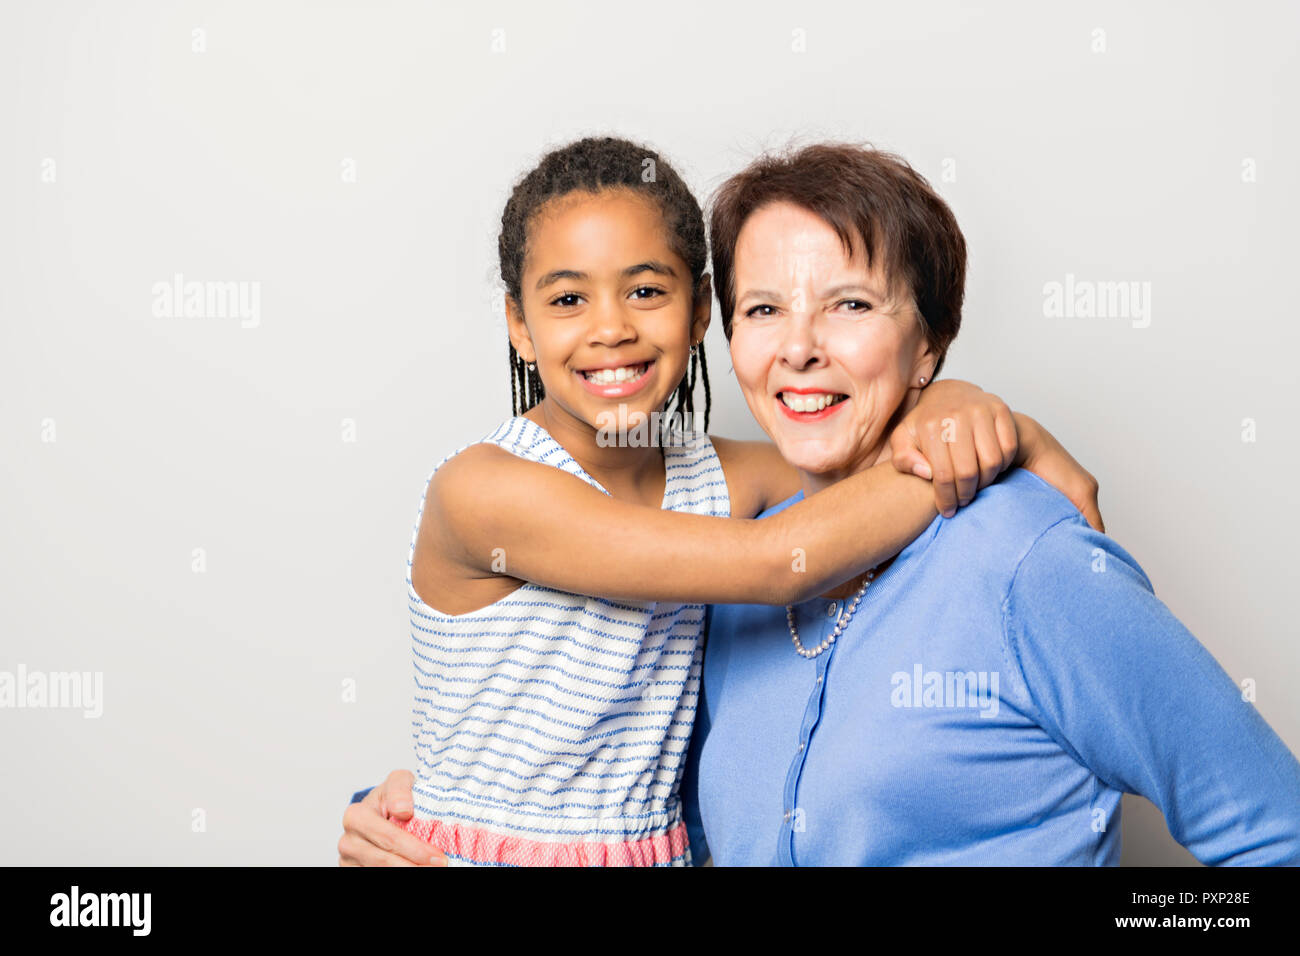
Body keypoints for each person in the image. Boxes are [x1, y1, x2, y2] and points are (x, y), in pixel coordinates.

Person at [338, 137, 1103, 867]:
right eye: (568, 299)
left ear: (702, 310)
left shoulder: (717, 478)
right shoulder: (485, 491)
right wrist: (1005, 434)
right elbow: (776, 565)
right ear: (519, 327)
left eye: (645, 290)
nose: (610, 328)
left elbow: (854, 464)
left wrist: (959, 407)